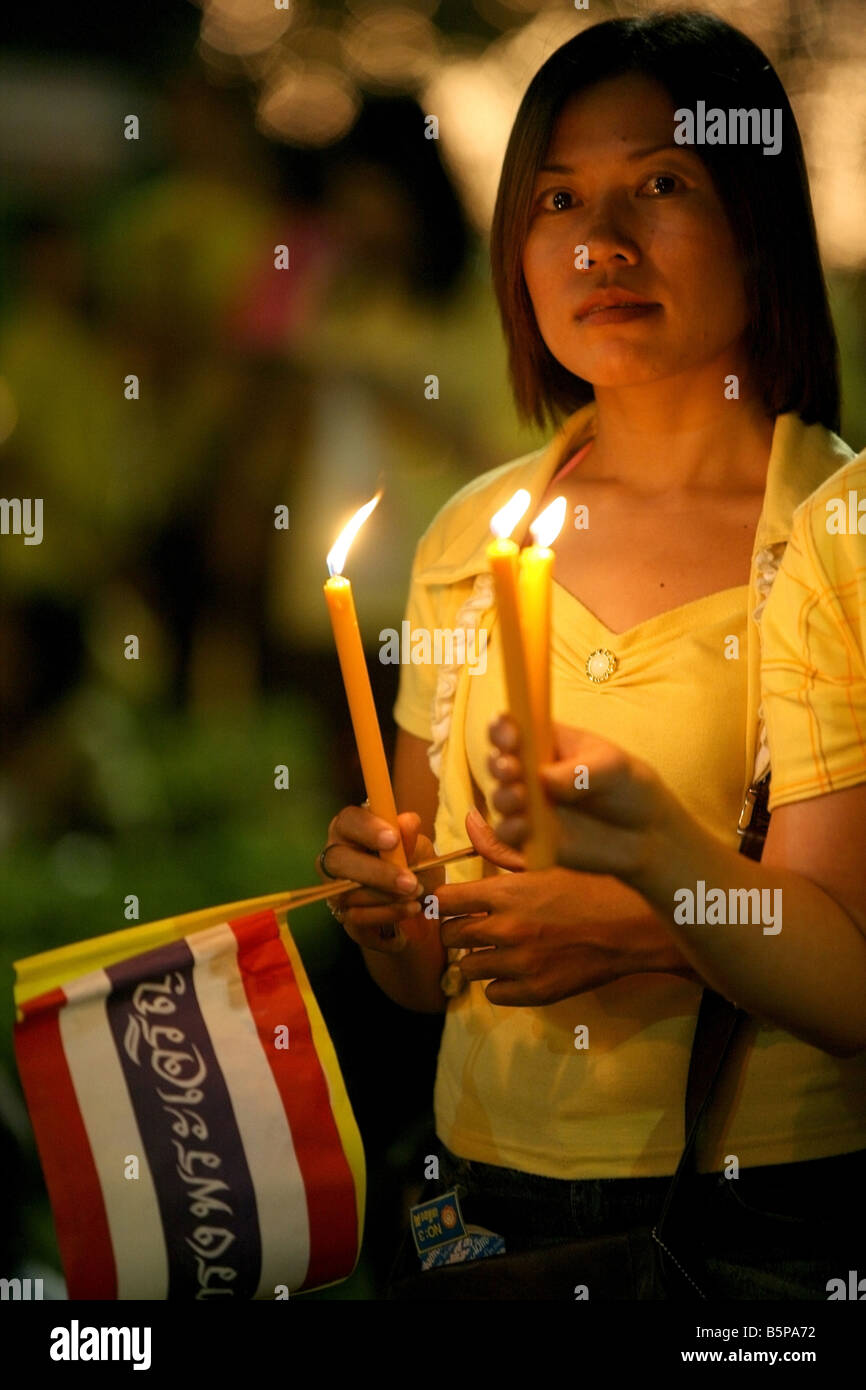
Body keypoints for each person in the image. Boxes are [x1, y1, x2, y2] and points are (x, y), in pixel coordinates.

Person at [316, 12, 866, 1299]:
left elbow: (848, 980)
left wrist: (647, 904)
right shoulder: (469, 533)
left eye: (660, 186)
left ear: (758, 219)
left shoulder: (834, 534)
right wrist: (391, 907)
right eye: (556, 197)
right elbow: (425, 967)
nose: (600, 243)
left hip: (746, 1217)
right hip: (482, 1202)